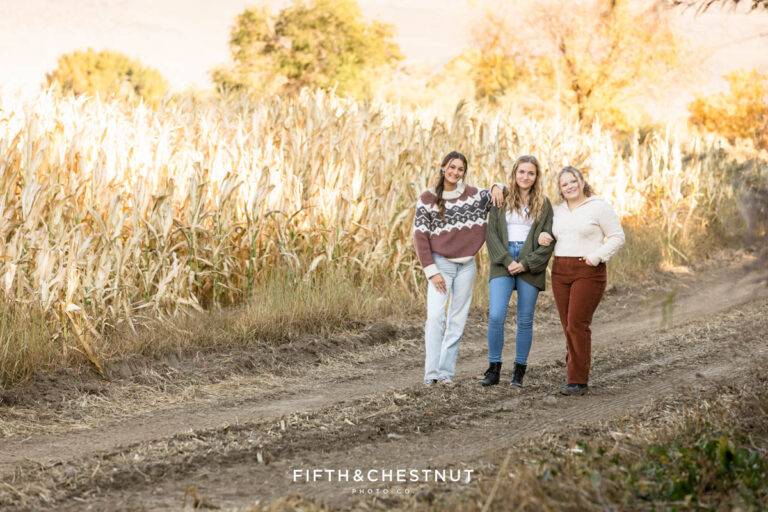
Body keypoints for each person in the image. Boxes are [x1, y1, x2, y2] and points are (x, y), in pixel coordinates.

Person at [413, 151, 504, 386]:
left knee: (457, 320)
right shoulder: (428, 198)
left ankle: (445, 374)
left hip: (466, 266)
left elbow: (502, 190)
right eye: (451, 167)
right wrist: (431, 271)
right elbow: (420, 237)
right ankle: (430, 374)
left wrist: (496, 186)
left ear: (464, 172)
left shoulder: (474, 196)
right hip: (440, 265)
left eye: (460, 169)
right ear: (443, 167)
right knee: (435, 318)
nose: (455, 172)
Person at [538, 166, 625, 396]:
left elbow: (617, 237)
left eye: (573, 181)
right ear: (560, 189)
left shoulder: (599, 206)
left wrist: (596, 257)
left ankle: (577, 380)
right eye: (564, 184)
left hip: (588, 270)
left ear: (582, 181)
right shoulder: (557, 211)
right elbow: (549, 234)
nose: (569, 186)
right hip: (560, 270)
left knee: (577, 323)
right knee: (568, 325)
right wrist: (543, 237)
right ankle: (574, 374)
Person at [478, 155, 555, 388]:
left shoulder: (544, 203)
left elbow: (549, 240)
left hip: (529, 262)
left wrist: (526, 263)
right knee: (496, 316)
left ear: (536, 177)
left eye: (531, 173)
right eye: (521, 172)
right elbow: (490, 235)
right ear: (514, 174)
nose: (525, 177)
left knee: (524, 320)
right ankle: (493, 370)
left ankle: (519, 372)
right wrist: (506, 259)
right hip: (503, 261)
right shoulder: (500, 198)